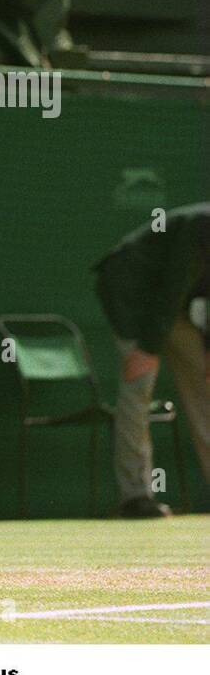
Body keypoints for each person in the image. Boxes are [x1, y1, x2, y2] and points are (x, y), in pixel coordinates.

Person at [93, 204, 210, 518]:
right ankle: (136, 497)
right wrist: (147, 349)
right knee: (138, 385)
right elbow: (174, 282)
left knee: (204, 386)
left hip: (172, 304)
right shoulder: (202, 224)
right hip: (130, 293)